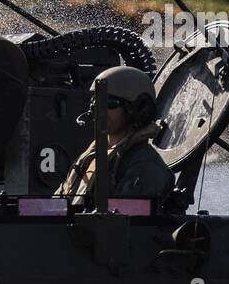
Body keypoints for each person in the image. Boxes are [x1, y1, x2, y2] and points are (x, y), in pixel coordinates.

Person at [58, 65, 173, 203]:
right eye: (95, 101)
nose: (98, 109)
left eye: (110, 102)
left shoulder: (146, 166)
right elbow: (60, 205)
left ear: (137, 109)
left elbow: (123, 219)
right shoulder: (90, 157)